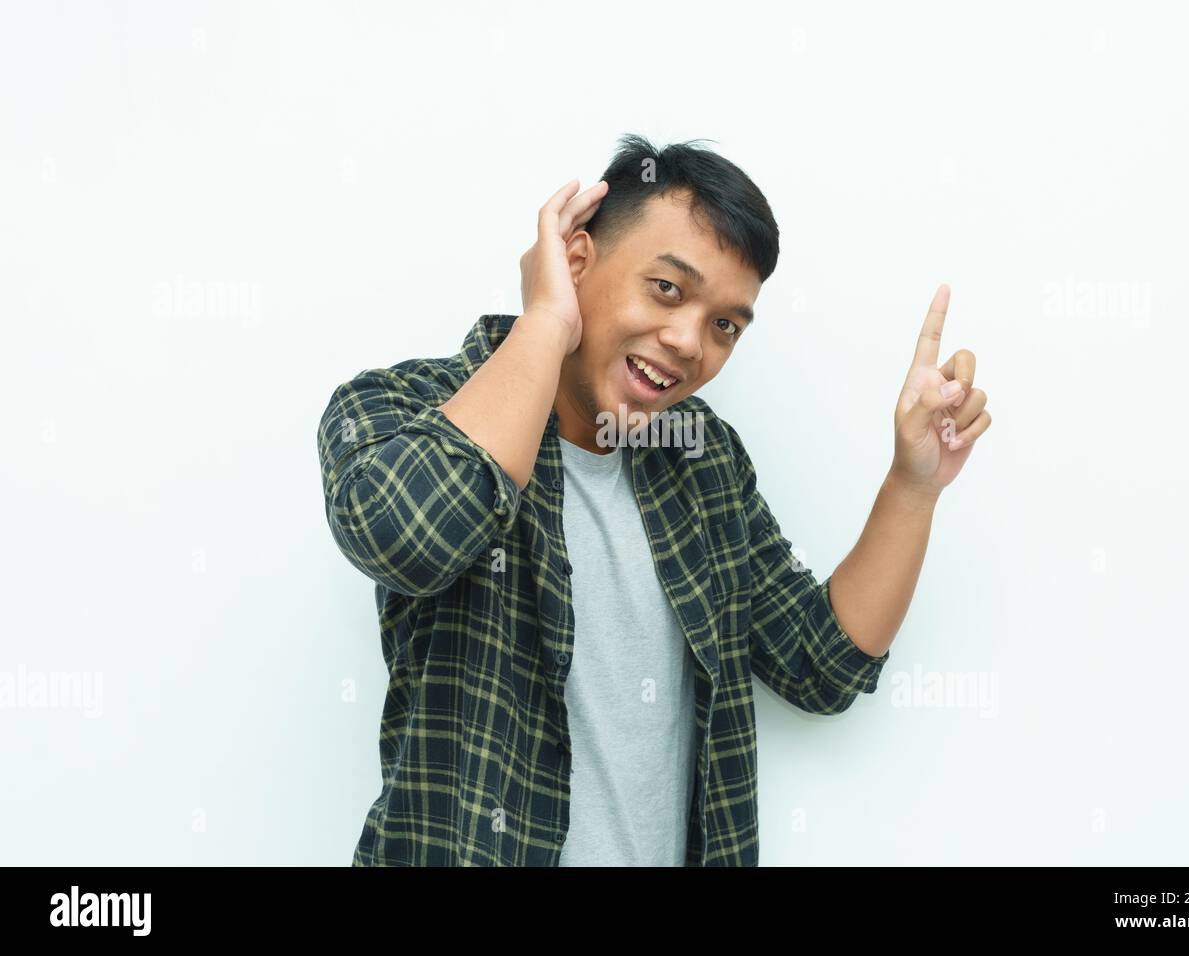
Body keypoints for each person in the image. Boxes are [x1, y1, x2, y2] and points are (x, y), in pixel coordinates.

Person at [315, 134, 992, 866]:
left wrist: (914, 484)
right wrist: (546, 320)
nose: (688, 341)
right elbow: (404, 538)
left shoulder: (702, 458)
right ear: (575, 260)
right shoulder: (404, 406)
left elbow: (819, 663)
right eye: (667, 289)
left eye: (725, 324)